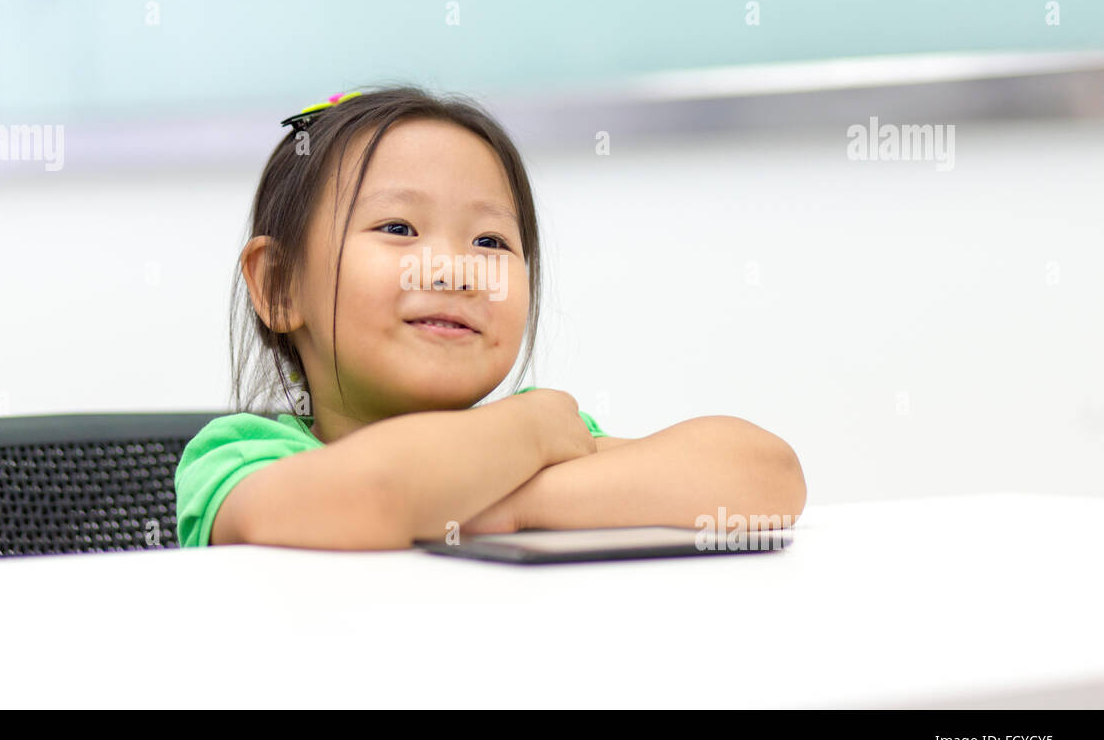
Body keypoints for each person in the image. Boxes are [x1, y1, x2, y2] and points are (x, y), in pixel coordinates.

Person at [175, 85, 805, 549]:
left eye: (490, 243)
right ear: (280, 286)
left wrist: (505, 504)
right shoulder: (239, 460)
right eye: (398, 227)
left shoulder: (531, 445)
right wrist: (530, 436)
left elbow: (763, 476)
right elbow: (368, 496)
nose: (453, 270)